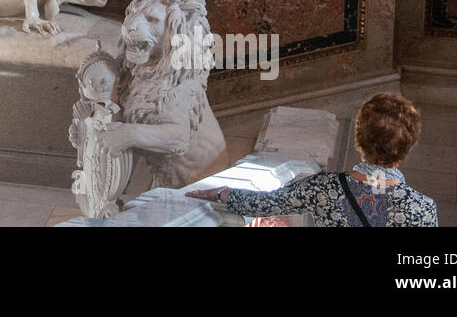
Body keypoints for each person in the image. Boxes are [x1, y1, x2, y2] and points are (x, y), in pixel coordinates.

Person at [186, 92, 439, 226]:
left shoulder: (324, 187)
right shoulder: (423, 209)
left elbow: (265, 203)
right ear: (408, 146)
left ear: (359, 139)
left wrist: (221, 194)